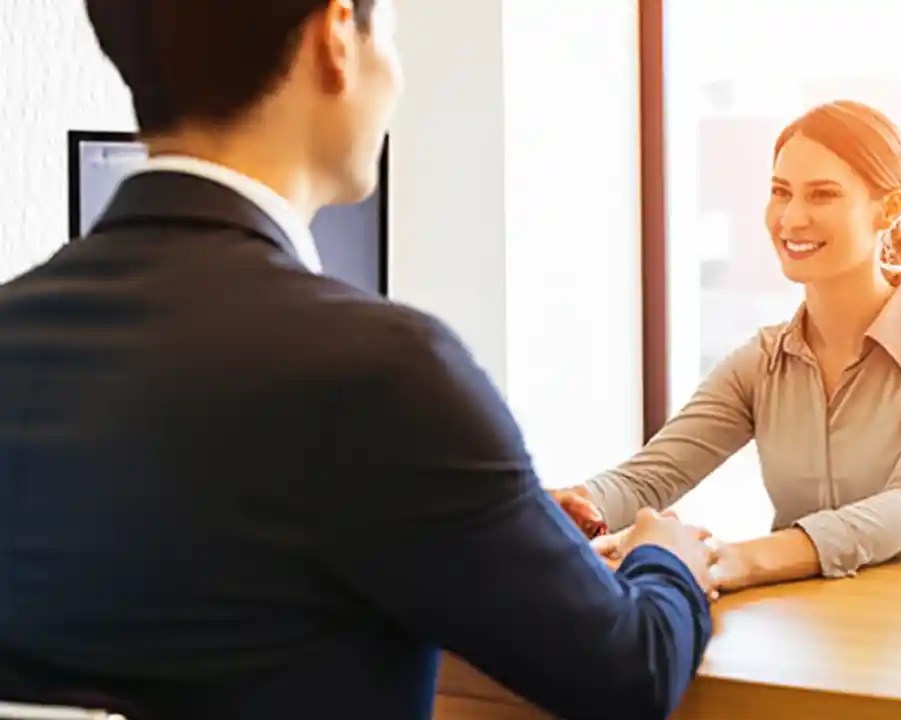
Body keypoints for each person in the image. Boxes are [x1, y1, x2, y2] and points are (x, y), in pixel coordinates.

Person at [0, 2, 712, 719]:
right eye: (392, 39)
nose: (397, 79)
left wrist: (490, 523)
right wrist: (668, 554)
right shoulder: (382, 371)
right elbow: (627, 674)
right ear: (337, 35)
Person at [558, 100, 901, 593]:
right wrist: (575, 504)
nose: (792, 218)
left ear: (889, 209)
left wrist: (732, 560)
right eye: (781, 192)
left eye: (823, 195)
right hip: (804, 630)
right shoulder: (761, 361)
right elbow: (649, 479)